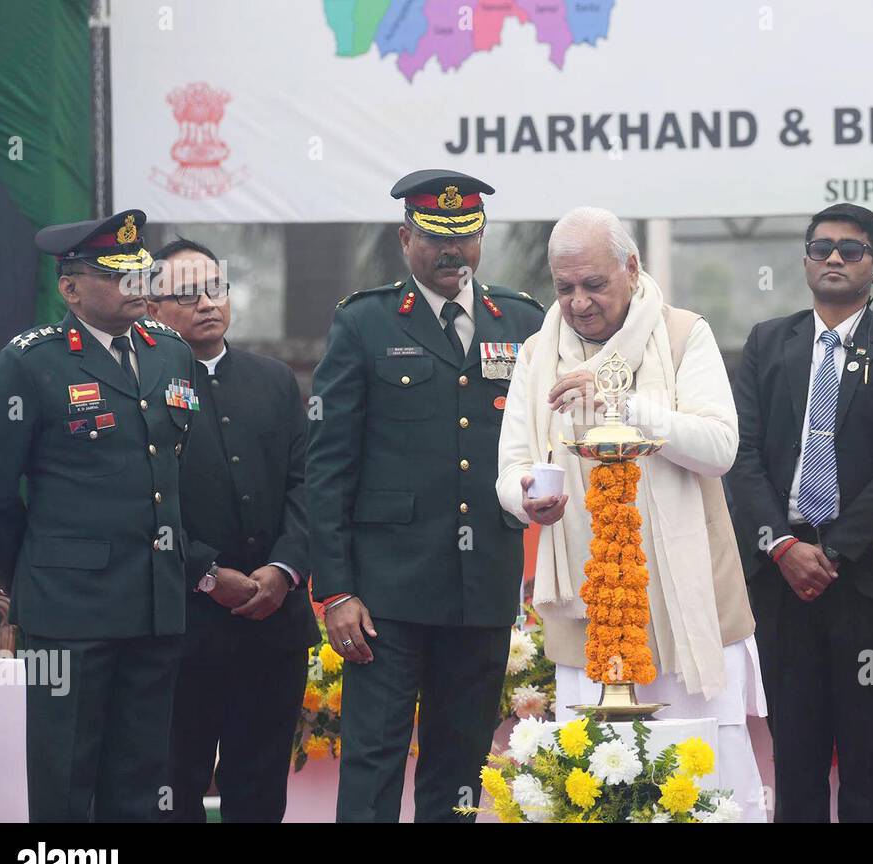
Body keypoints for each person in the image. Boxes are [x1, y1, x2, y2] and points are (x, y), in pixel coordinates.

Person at [496, 206, 767, 821]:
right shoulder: (539, 355)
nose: (580, 302)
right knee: (599, 778)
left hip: (686, 599)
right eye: (565, 288)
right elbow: (511, 467)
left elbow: (720, 448)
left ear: (632, 267)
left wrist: (624, 404)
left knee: (701, 781)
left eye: (595, 284)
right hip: (588, 601)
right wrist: (527, 499)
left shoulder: (681, 334)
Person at [307, 169, 544, 822]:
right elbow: (327, 467)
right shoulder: (365, 322)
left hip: (482, 590)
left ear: (482, 238)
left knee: (458, 765)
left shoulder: (522, 320)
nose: (453, 252)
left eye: (465, 237)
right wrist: (336, 590)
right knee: (374, 760)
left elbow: (542, 443)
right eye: (437, 238)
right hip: (386, 597)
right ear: (406, 238)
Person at [0, 210, 197, 821]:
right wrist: (38, 569)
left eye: (139, 273)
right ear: (70, 288)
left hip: (153, 606)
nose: (136, 286)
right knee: (66, 777)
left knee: (142, 780)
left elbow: (176, 472)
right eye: (115, 276)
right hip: (69, 610)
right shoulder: (31, 361)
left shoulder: (169, 353)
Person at [726, 202, 873, 823]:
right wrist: (782, 547)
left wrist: (836, 550)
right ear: (805, 262)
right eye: (822, 248)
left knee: (866, 750)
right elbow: (741, 455)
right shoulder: (770, 341)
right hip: (779, 576)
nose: (835, 259)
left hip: (864, 580)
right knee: (794, 754)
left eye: (851, 250)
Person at [147, 238, 319, 823]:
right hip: (181, 624)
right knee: (176, 782)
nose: (206, 304)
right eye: (186, 294)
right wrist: (206, 573)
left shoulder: (273, 380)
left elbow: (307, 486)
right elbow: (142, 504)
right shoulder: (140, 385)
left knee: (260, 787)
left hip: (274, 625)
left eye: (215, 289)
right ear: (152, 309)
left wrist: (284, 570)